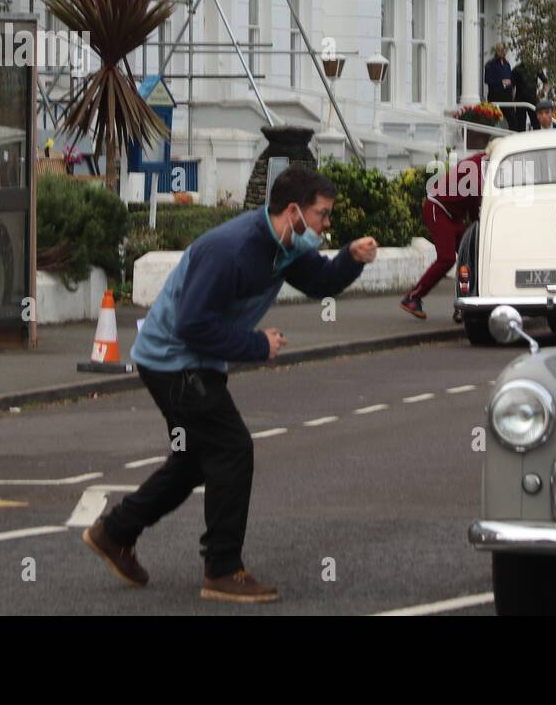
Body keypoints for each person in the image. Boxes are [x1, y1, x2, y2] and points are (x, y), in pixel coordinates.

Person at [84, 166, 378, 604]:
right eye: (322, 215)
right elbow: (193, 325)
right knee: (232, 448)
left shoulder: (284, 246)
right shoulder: (233, 250)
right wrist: (256, 344)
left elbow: (320, 283)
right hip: (173, 361)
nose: (326, 225)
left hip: (192, 359)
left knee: (191, 462)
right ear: (294, 212)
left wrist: (351, 259)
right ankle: (222, 570)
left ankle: (115, 532)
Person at [401, 150, 485, 320]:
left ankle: (463, 304)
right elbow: (475, 204)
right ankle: (412, 297)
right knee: (447, 259)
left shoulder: (483, 164)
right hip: (437, 209)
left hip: (453, 215)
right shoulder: (478, 167)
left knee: (472, 256)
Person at [484, 43, 519, 130]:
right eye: (500, 50)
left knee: (513, 121)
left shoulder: (507, 64)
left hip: (507, 97)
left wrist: (511, 87)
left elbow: (510, 79)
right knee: (493, 121)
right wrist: (501, 82)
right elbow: (487, 80)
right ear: (497, 51)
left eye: (504, 50)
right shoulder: (490, 64)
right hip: (496, 97)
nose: (502, 52)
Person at [511, 61, 545, 131]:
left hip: (532, 100)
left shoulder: (536, 68)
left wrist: (540, 95)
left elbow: (546, 81)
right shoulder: (517, 69)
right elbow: (512, 87)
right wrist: (513, 103)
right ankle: (522, 141)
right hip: (520, 101)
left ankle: (538, 140)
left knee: (536, 124)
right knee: (521, 125)